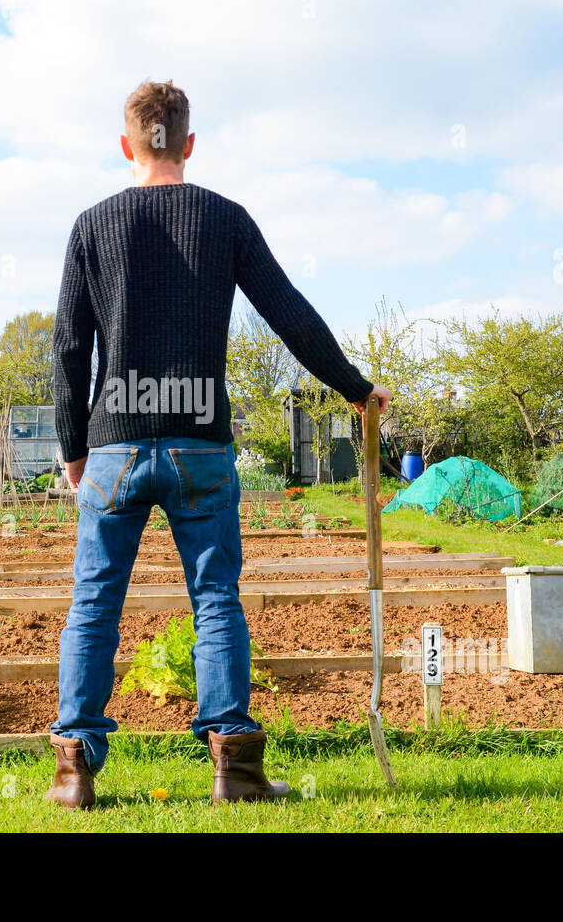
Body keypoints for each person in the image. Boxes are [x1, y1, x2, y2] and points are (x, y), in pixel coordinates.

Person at [46, 79, 390, 809]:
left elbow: (70, 348)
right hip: (200, 445)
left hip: (114, 444)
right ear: (189, 143)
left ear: (125, 145)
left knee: (94, 602)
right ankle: (234, 768)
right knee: (213, 600)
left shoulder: (91, 224)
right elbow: (290, 313)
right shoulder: (224, 218)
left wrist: (74, 447)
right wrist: (356, 388)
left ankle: (74, 772)